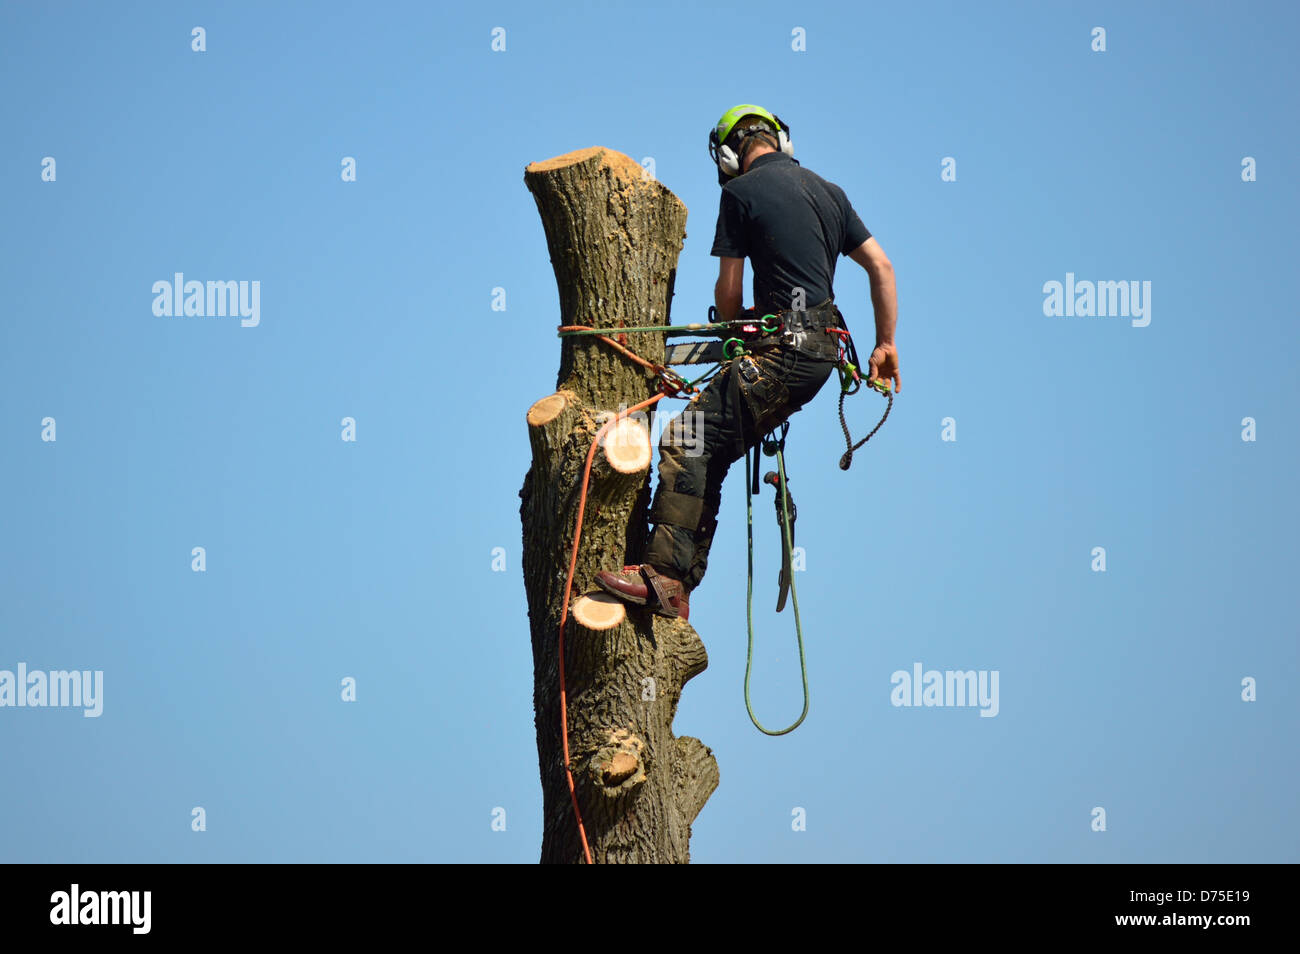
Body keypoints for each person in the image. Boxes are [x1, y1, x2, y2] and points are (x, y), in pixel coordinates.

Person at [595, 104, 900, 621]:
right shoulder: (831, 193)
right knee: (710, 448)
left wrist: (735, 328)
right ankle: (680, 586)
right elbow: (882, 266)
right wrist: (885, 344)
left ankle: (663, 575)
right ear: (780, 141)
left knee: (684, 437)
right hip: (821, 355)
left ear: (730, 154)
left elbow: (729, 290)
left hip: (783, 353)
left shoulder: (739, 194)